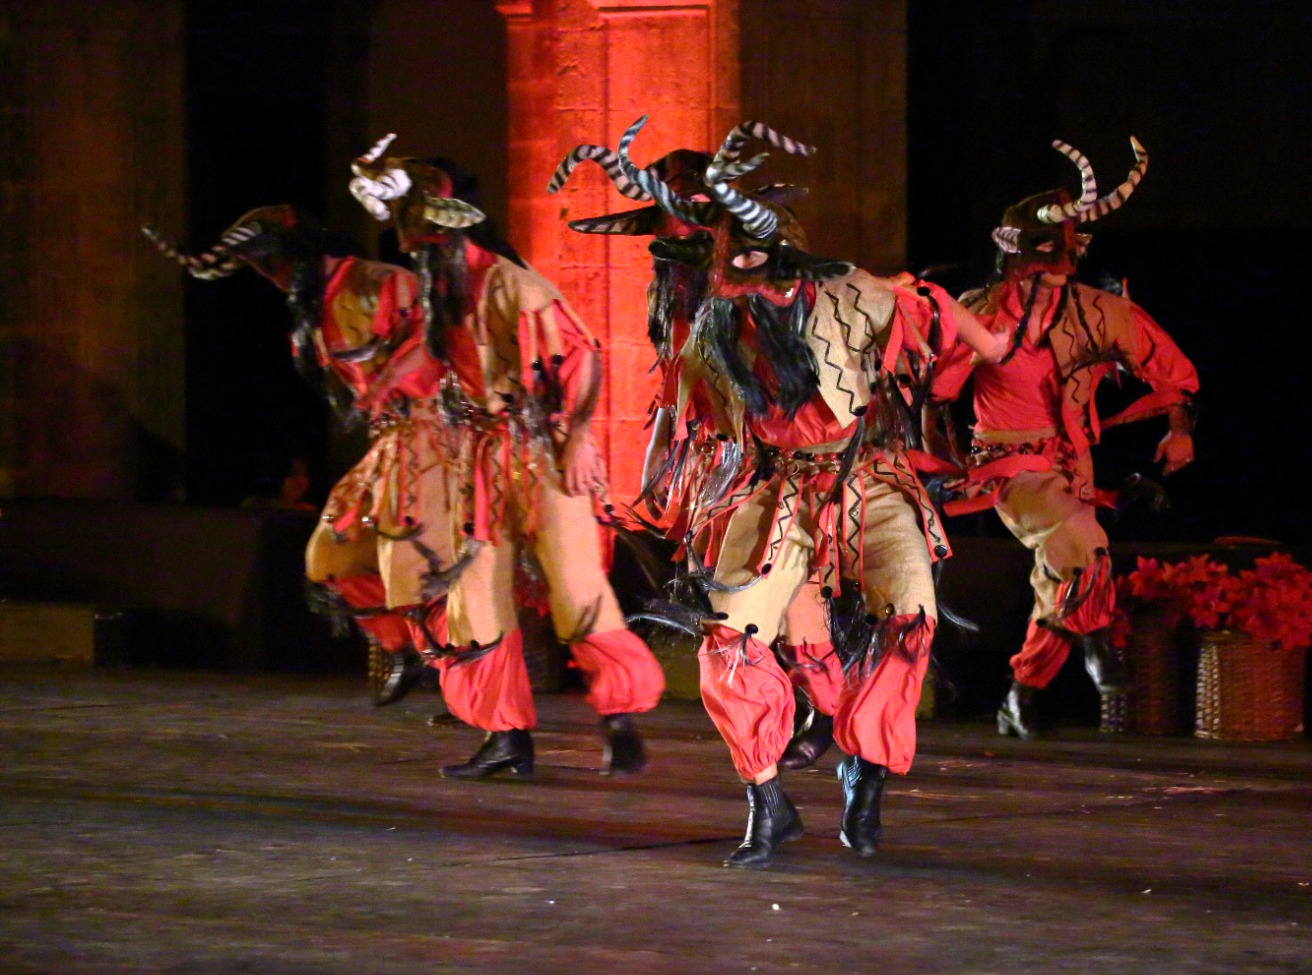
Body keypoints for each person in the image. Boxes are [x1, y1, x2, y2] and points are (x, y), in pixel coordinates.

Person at [597, 118, 1004, 866]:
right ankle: (767, 798)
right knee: (728, 637)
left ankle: (866, 771)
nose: (766, 287)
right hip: (781, 491)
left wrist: (978, 343)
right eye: (744, 270)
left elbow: (975, 343)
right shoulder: (713, 330)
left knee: (908, 618)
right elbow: (686, 423)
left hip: (874, 481)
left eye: (773, 269)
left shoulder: (857, 294)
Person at [347, 135, 664, 777]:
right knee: (472, 592)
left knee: (575, 582)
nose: (417, 253)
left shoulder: (513, 285)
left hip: (541, 451)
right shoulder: (445, 298)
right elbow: (428, 359)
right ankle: (504, 736)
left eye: (426, 242)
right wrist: (379, 389)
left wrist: (575, 437)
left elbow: (580, 357)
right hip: (481, 454)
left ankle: (619, 715)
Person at [548, 130, 845, 771]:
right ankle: (794, 707)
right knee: (727, 586)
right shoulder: (673, 287)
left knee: (789, 578)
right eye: (671, 213)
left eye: (694, 208)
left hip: (770, 450)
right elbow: (677, 373)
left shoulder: (754, 272)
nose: (684, 224)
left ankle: (820, 707)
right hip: (708, 454)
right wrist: (660, 448)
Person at [929, 137, 1199, 738]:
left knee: (1062, 576)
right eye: (1043, 255)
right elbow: (937, 390)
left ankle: (1020, 694)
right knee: (1084, 545)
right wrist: (947, 461)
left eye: (1067, 254)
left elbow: (1169, 369)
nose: (1056, 268)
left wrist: (1178, 431)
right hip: (1007, 462)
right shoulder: (980, 310)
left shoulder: (1098, 311)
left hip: (1071, 460)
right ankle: (1099, 646)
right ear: (1016, 255)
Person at [143, 206, 440, 706]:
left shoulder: (383, 283)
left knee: (429, 562)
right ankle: (410, 650)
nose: (267, 276)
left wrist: (387, 384)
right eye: (258, 267)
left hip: (440, 438)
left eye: (272, 262)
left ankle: (479, 690)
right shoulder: (314, 307)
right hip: (393, 445)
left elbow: (438, 342)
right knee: (331, 558)